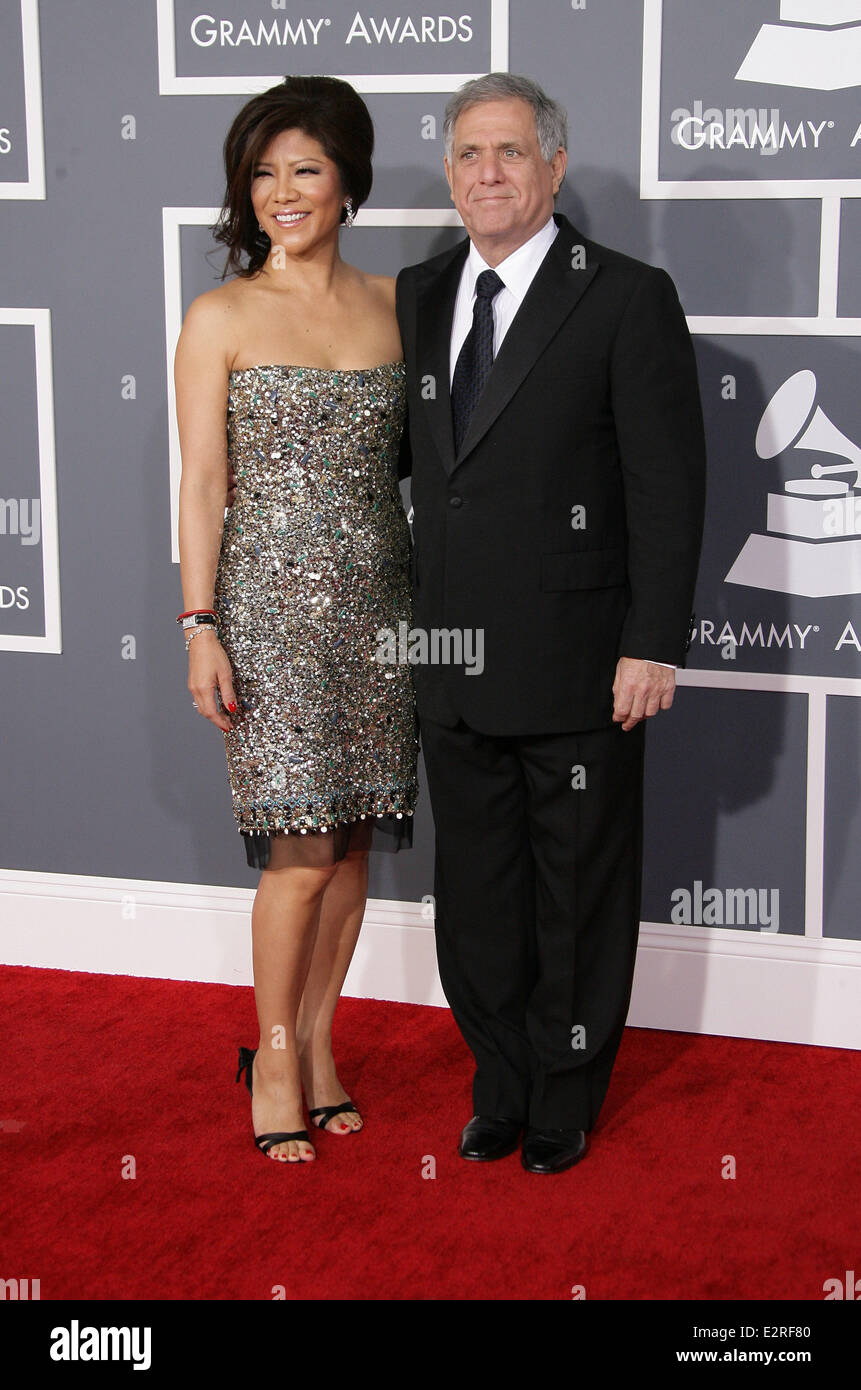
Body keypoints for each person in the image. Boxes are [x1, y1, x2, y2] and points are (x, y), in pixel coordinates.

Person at [394, 73, 706, 1173]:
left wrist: (655, 639)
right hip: (452, 660)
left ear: (555, 166)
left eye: (512, 153)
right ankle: (500, 1080)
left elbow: (666, 485)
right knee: (477, 895)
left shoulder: (625, 295)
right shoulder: (420, 292)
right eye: (470, 153)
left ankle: (565, 1094)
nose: (488, 173)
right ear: (449, 170)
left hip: (583, 662)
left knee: (578, 890)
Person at [174, 76, 419, 1164]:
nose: (282, 192)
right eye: (263, 173)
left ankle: (320, 1047)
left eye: (305, 169)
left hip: (382, 608)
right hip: (269, 612)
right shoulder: (220, 314)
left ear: (348, 180)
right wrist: (199, 621)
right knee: (300, 852)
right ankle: (271, 1052)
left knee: (355, 842)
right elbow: (202, 486)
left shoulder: (396, 306)